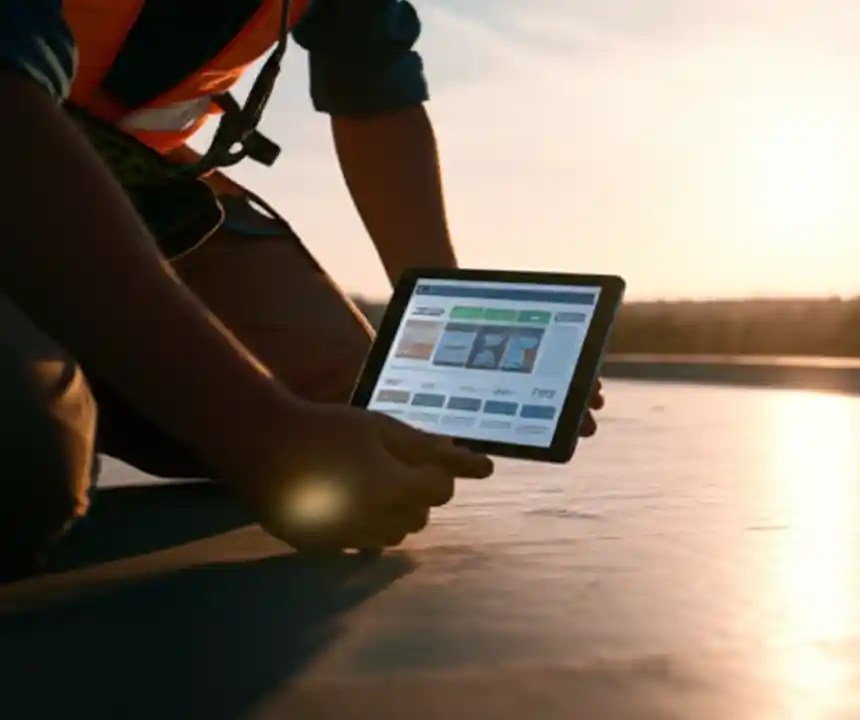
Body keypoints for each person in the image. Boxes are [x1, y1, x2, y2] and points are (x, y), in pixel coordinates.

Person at [0, 1, 603, 577]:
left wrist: (453, 336)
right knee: (22, 462)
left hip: (130, 178)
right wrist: (264, 435)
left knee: (362, 401)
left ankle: (83, 354)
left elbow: (376, 95)